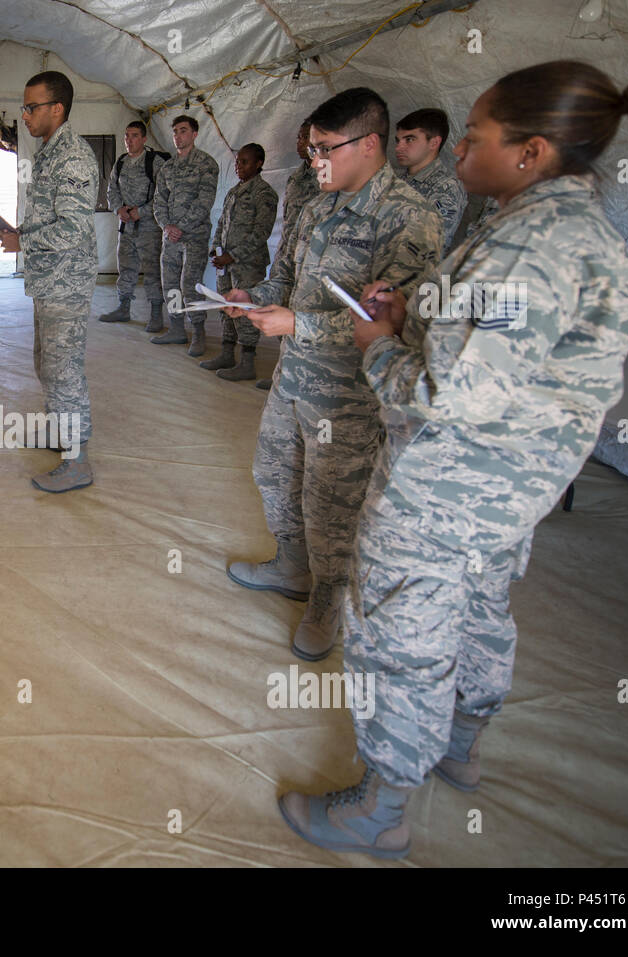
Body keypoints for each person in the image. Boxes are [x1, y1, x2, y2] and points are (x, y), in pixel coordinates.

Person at [276, 61, 628, 860]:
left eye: (476, 137)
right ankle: (461, 741)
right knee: (481, 610)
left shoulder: (529, 245)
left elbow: (444, 393)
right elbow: (502, 353)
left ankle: (379, 808)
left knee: (402, 629)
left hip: (446, 486)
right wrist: (414, 308)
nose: (457, 153)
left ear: (531, 151)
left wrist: (379, 346)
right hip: (507, 490)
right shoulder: (565, 230)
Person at [221, 88, 443, 661]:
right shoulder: (316, 208)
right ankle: (293, 567)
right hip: (294, 378)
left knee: (332, 504)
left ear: (369, 144)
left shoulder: (409, 219)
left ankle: (328, 600)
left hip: (349, 396)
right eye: (312, 147)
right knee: (274, 472)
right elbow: (285, 281)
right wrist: (254, 297)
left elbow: (391, 324)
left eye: (325, 148)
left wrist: (297, 322)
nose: (314, 158)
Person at [0, 70, 100, 493]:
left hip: (66, 283)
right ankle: (61, 432)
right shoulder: (48, 152)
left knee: (64, 370)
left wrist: (24, 241)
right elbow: (47, 216)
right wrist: (20, 233)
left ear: (57, 109)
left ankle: (77, 461)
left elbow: (74, 229)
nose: (24, 114)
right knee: (47, 364)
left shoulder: (72, 156)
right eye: (24, 106)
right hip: (48, 280)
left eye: (31, 106)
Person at [200, 143, 277, 380]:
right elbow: (222, 222)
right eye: (237, 162)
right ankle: (226, 353)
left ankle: (247, 362)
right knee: (225, 307)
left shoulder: (264, 194)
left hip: (247, 265)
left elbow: (261, 232)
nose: (238, 166)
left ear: (259, 163)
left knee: (244, 310)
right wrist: (215, 251)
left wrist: (232, 256)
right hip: (226, 263)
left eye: (244, 162)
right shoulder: (234, 192)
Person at [256, 119, 320, 392]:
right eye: (299, 137)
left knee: (306, 318)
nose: (300, 143)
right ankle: (284, 373)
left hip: (312, 259)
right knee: (283, 310)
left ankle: (301, 379)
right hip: (288, 254)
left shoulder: (327, 176)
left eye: (305, 137)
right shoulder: (298, 175)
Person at [151, 115, 219, 354]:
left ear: (194, 134)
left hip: (194, 237)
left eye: (183, 131)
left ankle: (198, 332)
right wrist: (167, 227)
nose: (178, 136)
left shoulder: (206, 164)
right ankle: (177, 329)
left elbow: (204, 201)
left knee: (190, 285)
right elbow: (159, 201)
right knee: (170, 284)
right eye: (175, 132)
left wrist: (181, 227)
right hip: (170, 238)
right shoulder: (167, 168)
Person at [100, 121, 168, 329]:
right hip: (127, 226)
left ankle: (156, 314)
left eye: (135, 136)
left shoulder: (154, 162)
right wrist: (119, 209)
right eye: (127, 136)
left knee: (152, 270)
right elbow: (111, 190)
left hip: (149, 228)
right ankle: (123, 307)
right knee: (126, 267)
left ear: (144, 139)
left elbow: (163, 194)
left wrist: (142, 211)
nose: (129, 140)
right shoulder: (121, 162)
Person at [394, 108, 468, 251]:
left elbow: (426, 245)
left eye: (409, 139)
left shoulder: (447, 187)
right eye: (398, 141)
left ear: (434, 143)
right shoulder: (398, 181)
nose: (398, 147)